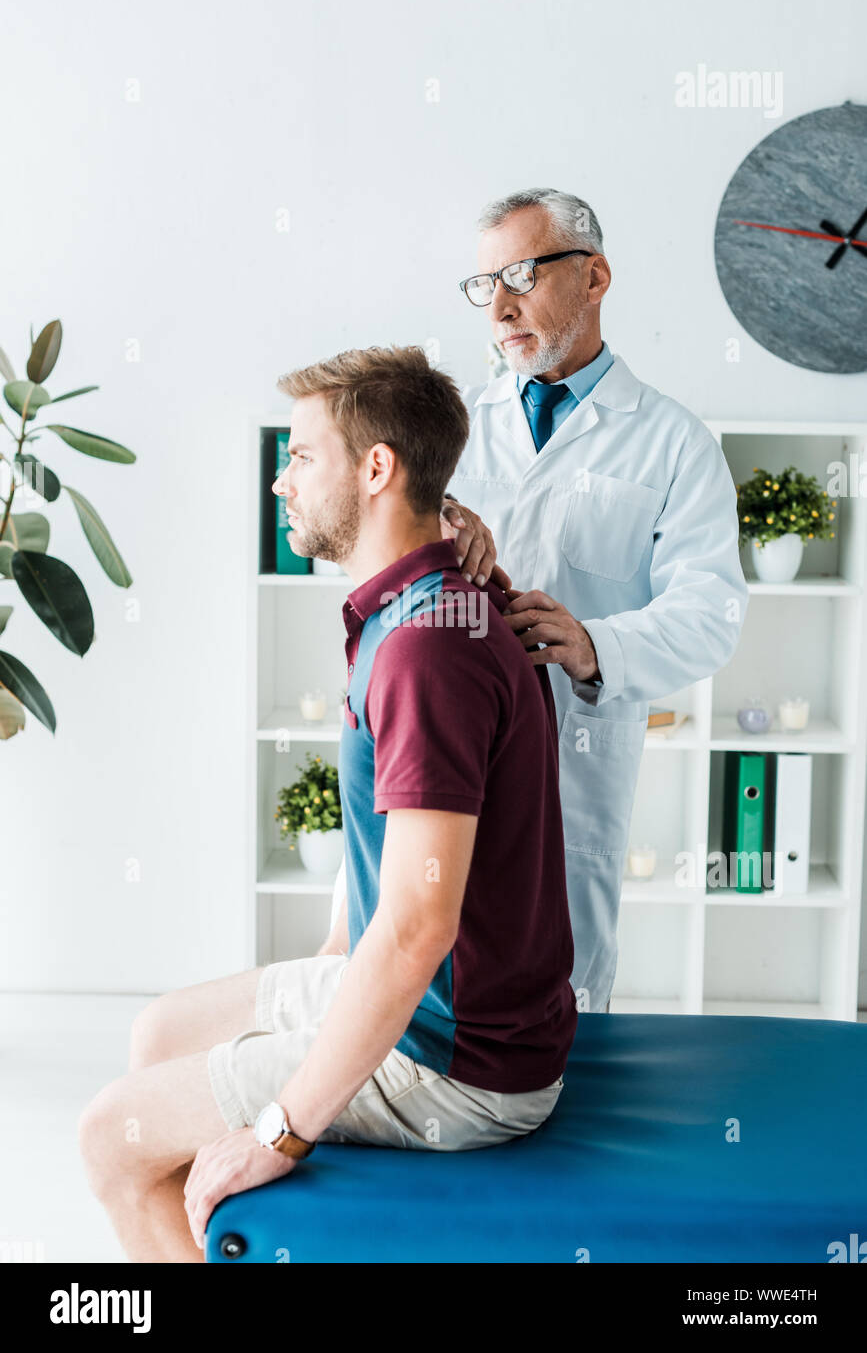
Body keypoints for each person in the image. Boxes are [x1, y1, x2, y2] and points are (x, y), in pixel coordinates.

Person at [78, 345, 577, 1262]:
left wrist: (281, 1130)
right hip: (434, 1007)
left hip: (459, 1066)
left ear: (376, 467)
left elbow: (421, 924)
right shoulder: (417, 604)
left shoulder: (429, 645)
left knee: (115, 1136)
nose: (281, 484)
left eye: (301, 457)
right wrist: (330, 981)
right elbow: (388, 850)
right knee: (160, 1034)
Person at [440, 187, 749, 1014]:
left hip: (575, 753)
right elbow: (366, 562)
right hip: (449, 738)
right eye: (483, 287)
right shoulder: (454, 428)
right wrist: (427, 527)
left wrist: (592, 646)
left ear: (594, 276)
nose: (499, 307)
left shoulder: (673, 441)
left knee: (560, 985)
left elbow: (711, 611)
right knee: (424, 959)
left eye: (519, 275)